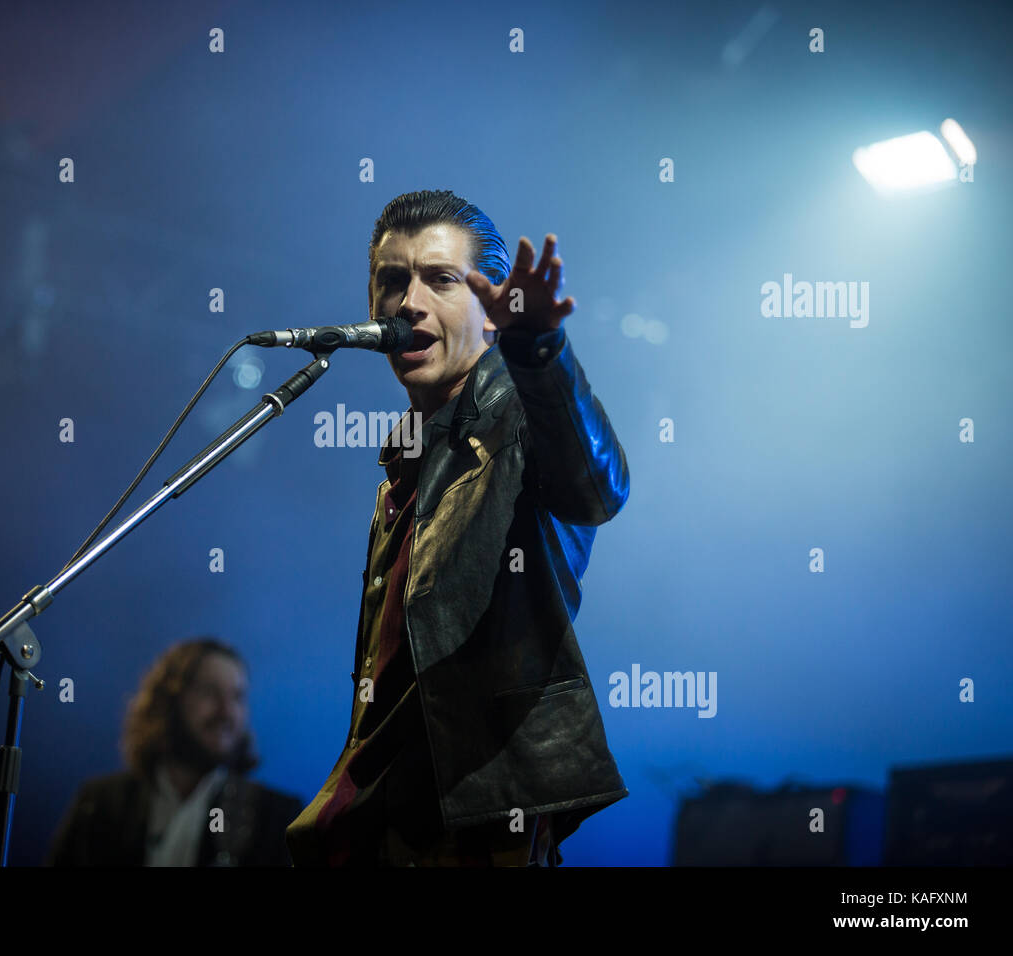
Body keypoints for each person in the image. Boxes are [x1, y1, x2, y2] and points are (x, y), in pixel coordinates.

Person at [285, 189, 631, 866]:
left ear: (492, 309)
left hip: (475, 827)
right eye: (392, 280)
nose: (409, 301)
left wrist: (538, 346)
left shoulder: (518, 418)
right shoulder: (409, 456)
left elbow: (599, 488)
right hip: (382, 826)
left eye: (441, 279)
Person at [48, 638, 304, 866]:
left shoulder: (277, 818)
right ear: (169, 700)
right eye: (209, 692)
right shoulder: (99, 804)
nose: (227, 712)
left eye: (237, 697)